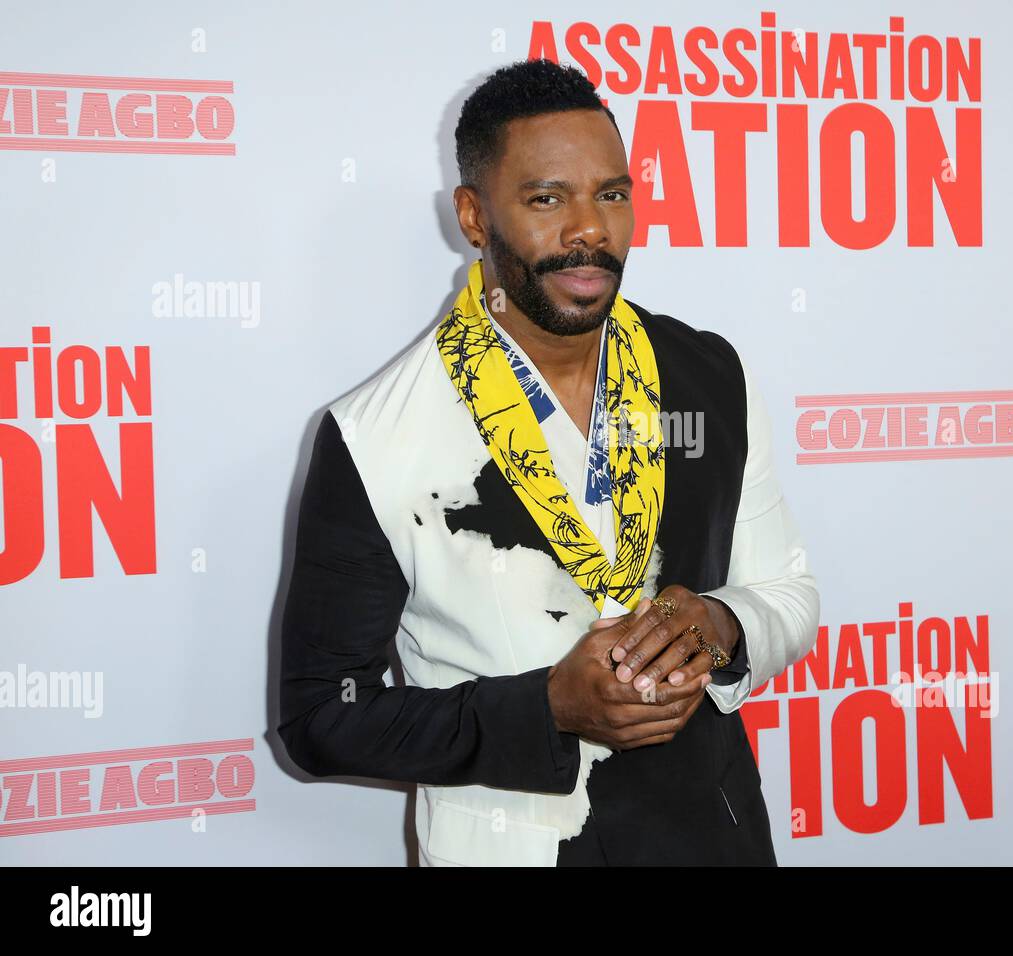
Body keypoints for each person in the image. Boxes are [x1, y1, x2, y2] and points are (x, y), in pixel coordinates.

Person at [276, 57, 820, 866]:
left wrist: (722, 624)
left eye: (611, 194)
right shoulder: (372, 434)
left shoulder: (709, 374)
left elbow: (788, 592)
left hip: (713, 836)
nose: (589, 231)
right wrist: (546, 710)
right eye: (545, 200)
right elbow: (321, 716)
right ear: (472, 213)